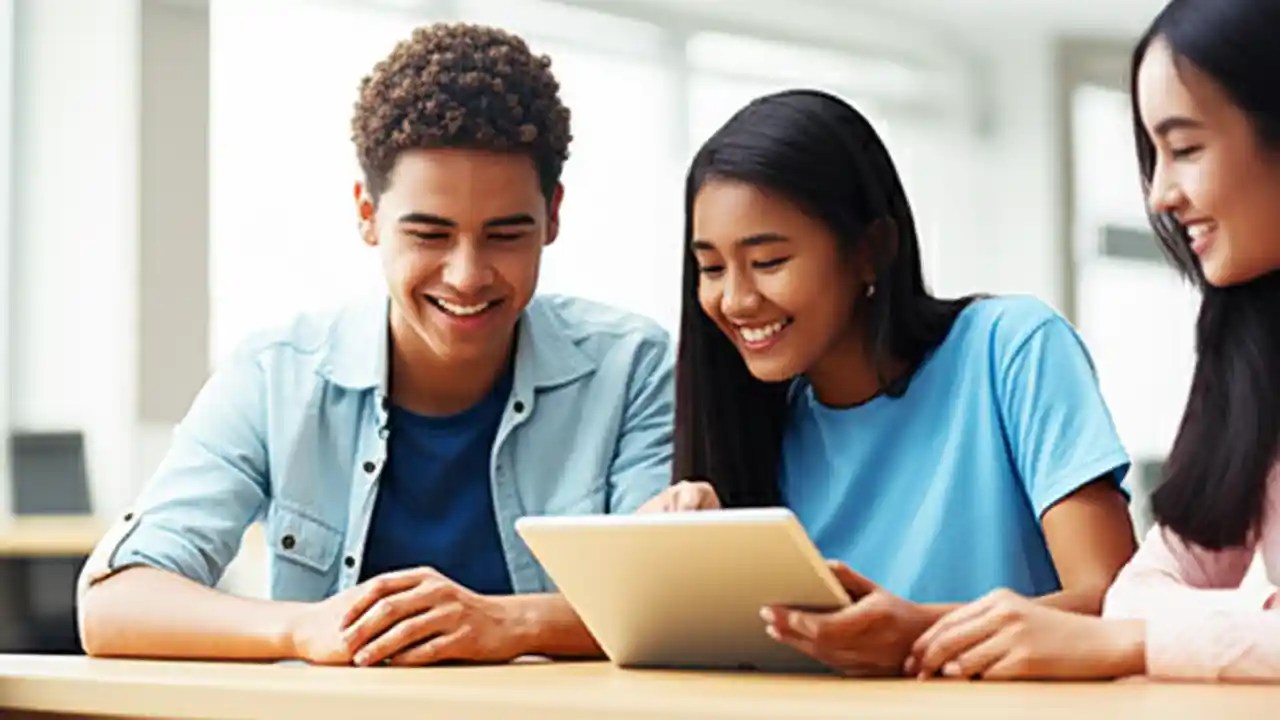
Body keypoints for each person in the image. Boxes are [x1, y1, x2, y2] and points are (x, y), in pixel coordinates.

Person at [76, 23, 674, 667]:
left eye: (505, 235)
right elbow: (113, 604)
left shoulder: (632, 368)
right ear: (367, 214)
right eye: (429, 234)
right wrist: (300, 630)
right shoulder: (277, 374)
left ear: (553, 216)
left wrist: (510, 622)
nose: (467, 275)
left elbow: (666, 609)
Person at [639, 88, 1135, 677]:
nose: (736, 300)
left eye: (769, 262)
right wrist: (669, 564)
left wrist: (917, 633)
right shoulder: (751, 424)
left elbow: (1112, 602)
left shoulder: (1011, 347)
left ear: (871, 249)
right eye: (712, 269)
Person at [909, 0, 1280, 682]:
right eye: (1154, 155)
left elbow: (1129, 627)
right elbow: (1141, 590)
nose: (1162, 194)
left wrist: (1142, 644)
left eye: (1188, 148)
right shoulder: (1250, 347)